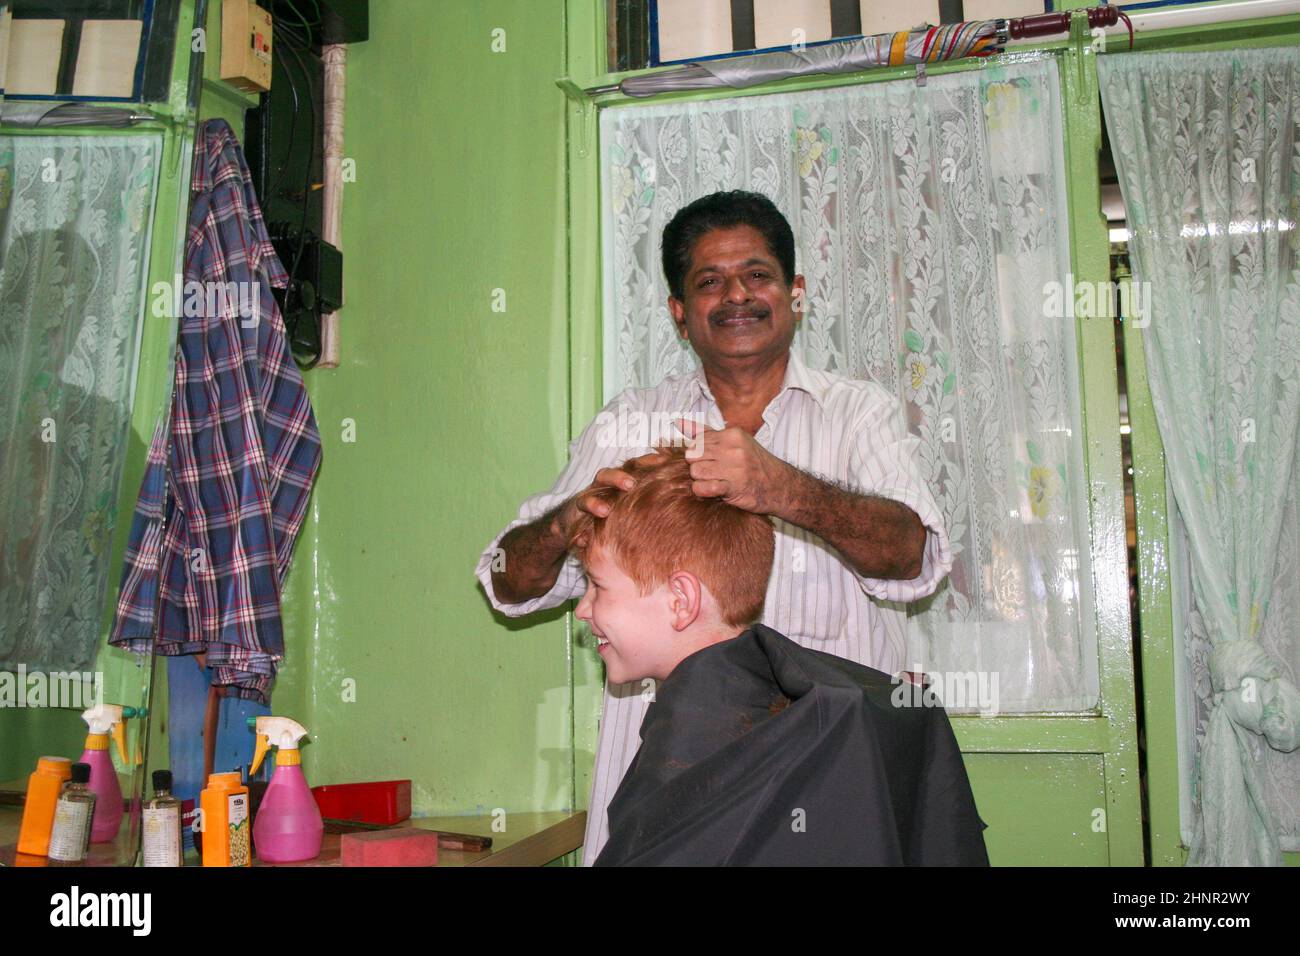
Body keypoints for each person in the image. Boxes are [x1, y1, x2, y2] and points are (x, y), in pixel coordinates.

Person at [475, 190, 953, 863]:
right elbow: (506, 584)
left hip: (829, 796)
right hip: (669, 803)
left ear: (795, 291)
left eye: (757, 275)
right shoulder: (628, 424)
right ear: (678, 311)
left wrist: (782, 488)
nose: (736, 295)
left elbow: (915, 558)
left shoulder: (859, 415)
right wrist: (568, 520)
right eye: (708, 281)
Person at [566, 445, 988, 866]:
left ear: (681, 600)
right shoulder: (789, 709)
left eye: (598, 586)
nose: (583, 609)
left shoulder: (697, 736)